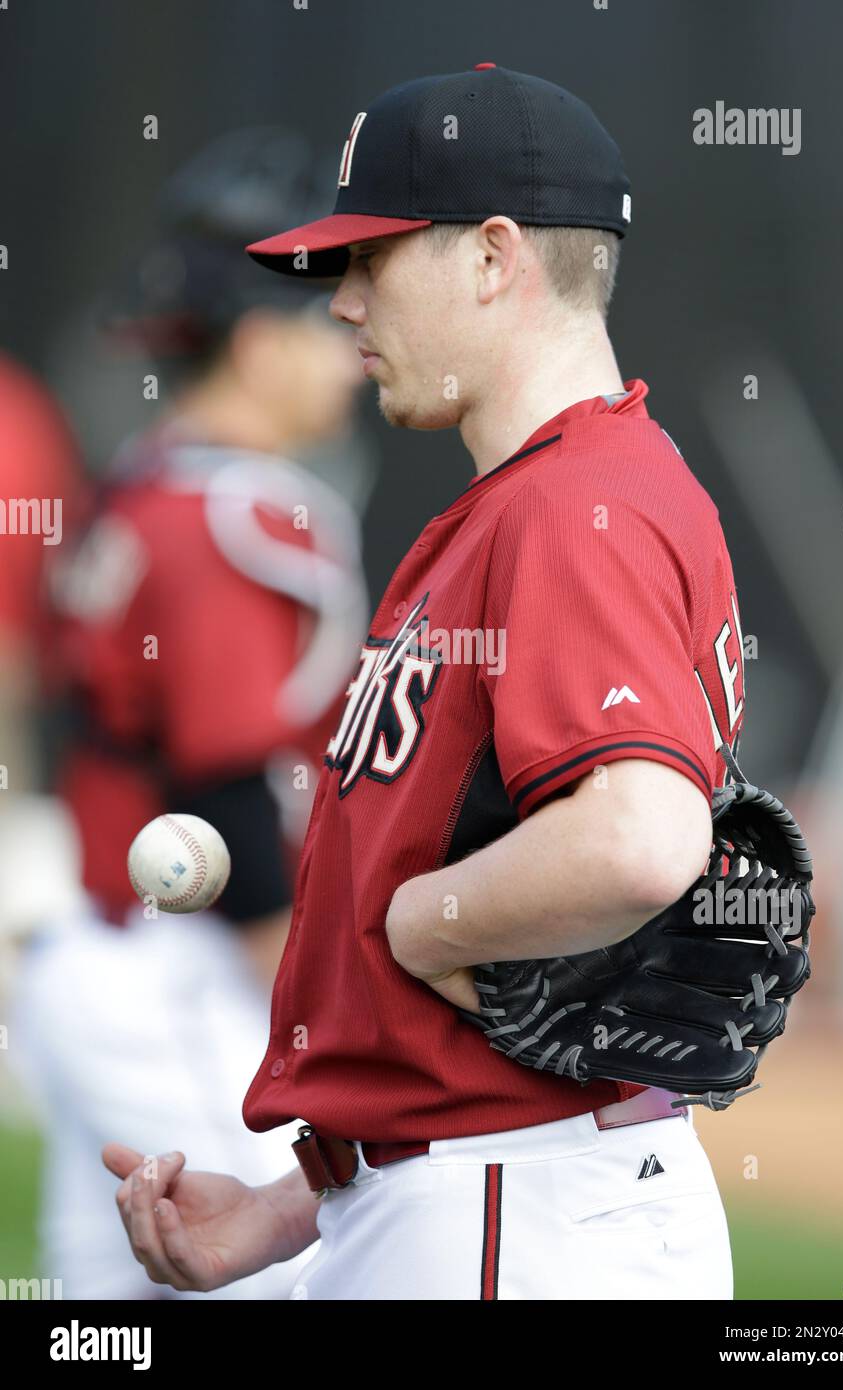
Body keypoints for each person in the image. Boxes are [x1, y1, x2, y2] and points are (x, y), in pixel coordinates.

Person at [105, 65, 745, 1301]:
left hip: (523, 1210)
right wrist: (295, 1206)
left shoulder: (576, 504)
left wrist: (417, 920)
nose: (341, 305)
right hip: (485, 1191)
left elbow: (636, 837)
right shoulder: (536, 499)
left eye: (371, 259)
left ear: (493, 256)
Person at [11, 129, 370, 1299]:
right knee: (272, 1277)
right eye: (329, 324)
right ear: (260, 340)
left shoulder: (150, 472)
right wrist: (328, 1009)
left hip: (106, 953)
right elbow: (220, 790)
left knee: (104, 1314)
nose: (354, 353)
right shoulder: (235, 515)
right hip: (189, 969)